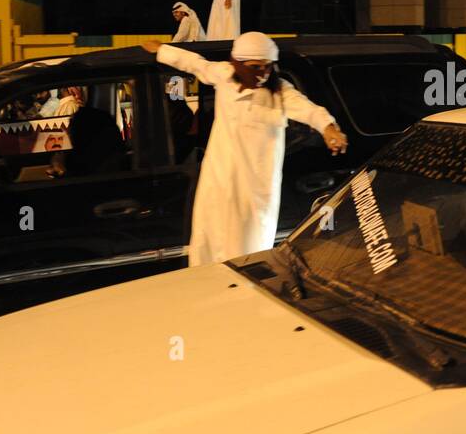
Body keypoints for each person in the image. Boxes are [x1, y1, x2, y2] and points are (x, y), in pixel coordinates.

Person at [143, 32, 349, 265]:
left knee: (246, 254)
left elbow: (307, 109)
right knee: (208, 245)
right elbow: (195, 64)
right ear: (236, 63)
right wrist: (162, 50)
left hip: (253, 194)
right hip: (218, 184)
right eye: (254, 67)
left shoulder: (280, 92)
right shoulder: (224, 76)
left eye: (267, 67)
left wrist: (329, 128)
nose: (263, 74)